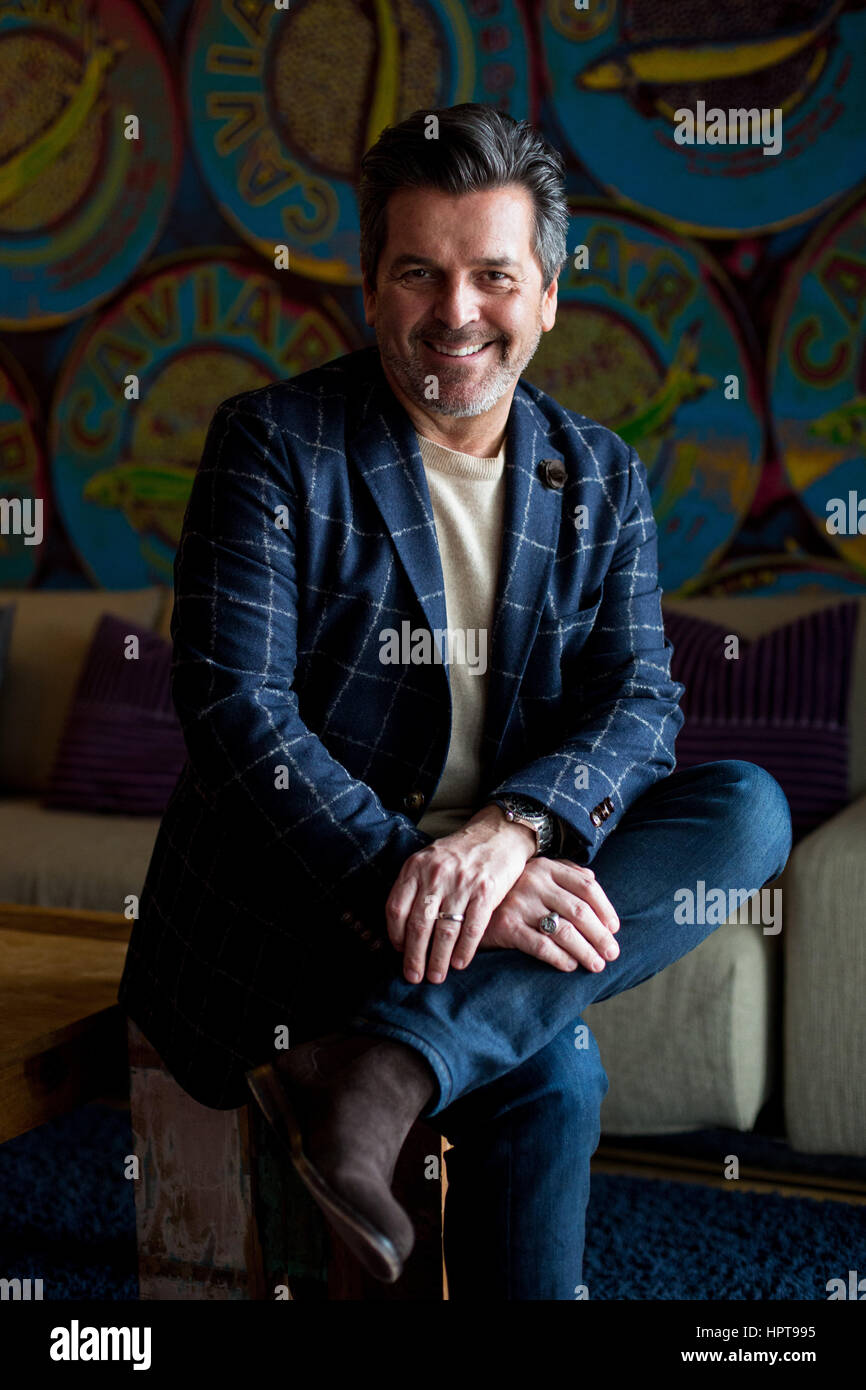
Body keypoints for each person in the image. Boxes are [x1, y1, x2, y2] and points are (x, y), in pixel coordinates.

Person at [118, 103, 792, 1301]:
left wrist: (507, 833)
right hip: (300, 911)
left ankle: (378, 1069)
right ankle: (386, 1059)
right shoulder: (273, 444)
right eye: (418, 271)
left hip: (485, 880)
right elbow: (234, 713)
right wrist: (409, 872)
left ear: (544, 293)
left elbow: (639, 703)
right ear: (370, 283)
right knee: (555, 1065)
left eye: (492, 274)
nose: (456, 313)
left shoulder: (597, 474)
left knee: (744, 808)